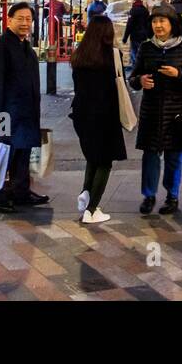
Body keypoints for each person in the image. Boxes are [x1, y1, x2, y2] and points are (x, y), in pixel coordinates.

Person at [128, 3, 182, 215]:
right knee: (150, 155)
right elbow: (132, 78)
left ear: (172, 24)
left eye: (162, 21)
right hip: (151, 111)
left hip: (177, 111)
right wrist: (139, 80)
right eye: (154, 21)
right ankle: (148, 195)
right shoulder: (146, 47)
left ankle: (172, 196)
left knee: (173, 156)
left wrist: (178, 75)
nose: (158, 25)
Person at [0, 2, 49, 213]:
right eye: (20, 18)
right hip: (6, 113)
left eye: (28, 19)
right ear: (9, 20)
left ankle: (21, 192)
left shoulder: (26, 47)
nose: (24, 23)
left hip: (26, 111)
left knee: (23, 152)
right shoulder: (0, 46)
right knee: (4, 154)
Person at [69, 14, 127, 225]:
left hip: (82, 115)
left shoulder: (79, 56)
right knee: (104, 162)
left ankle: (86, 193)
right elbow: (119, 86)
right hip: (105, 115)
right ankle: (92, 210)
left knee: (93, 157)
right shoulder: (113, 55)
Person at [121, 0, 152, 68]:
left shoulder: (134, 10)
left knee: (134, 54)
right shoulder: (145, 9)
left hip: (135, 35)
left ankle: (136, 69)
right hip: (143, 35)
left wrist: (125, 37)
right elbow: (148, 23)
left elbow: (129, 25)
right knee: (141, 52)